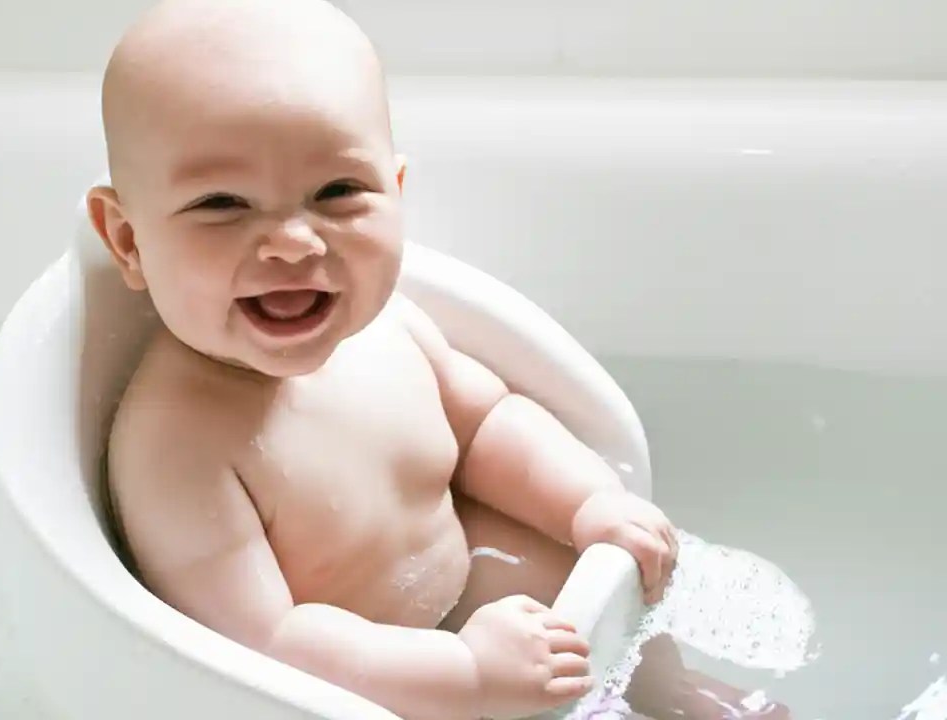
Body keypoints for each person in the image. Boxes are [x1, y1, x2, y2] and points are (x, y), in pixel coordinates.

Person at [89, 1, 783, 717]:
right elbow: (265, 643)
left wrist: (588, 503)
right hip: (363, 690)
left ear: (394, 191)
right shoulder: (177, 445)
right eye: (223, 203)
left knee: (569, 569)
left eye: (338, 192)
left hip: (470, 605)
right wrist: (466, 674)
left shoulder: (389, 330)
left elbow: (486, 427)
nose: (295, 242)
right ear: (128, 241)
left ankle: (670, 694)